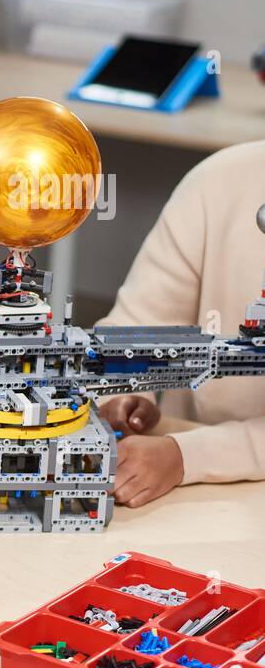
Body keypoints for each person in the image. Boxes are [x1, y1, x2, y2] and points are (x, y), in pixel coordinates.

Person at [96, 140, 265, 507]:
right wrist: (122, 391)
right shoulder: (220, 180)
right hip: (184, 479)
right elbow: (136, 325)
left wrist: (185, 456)